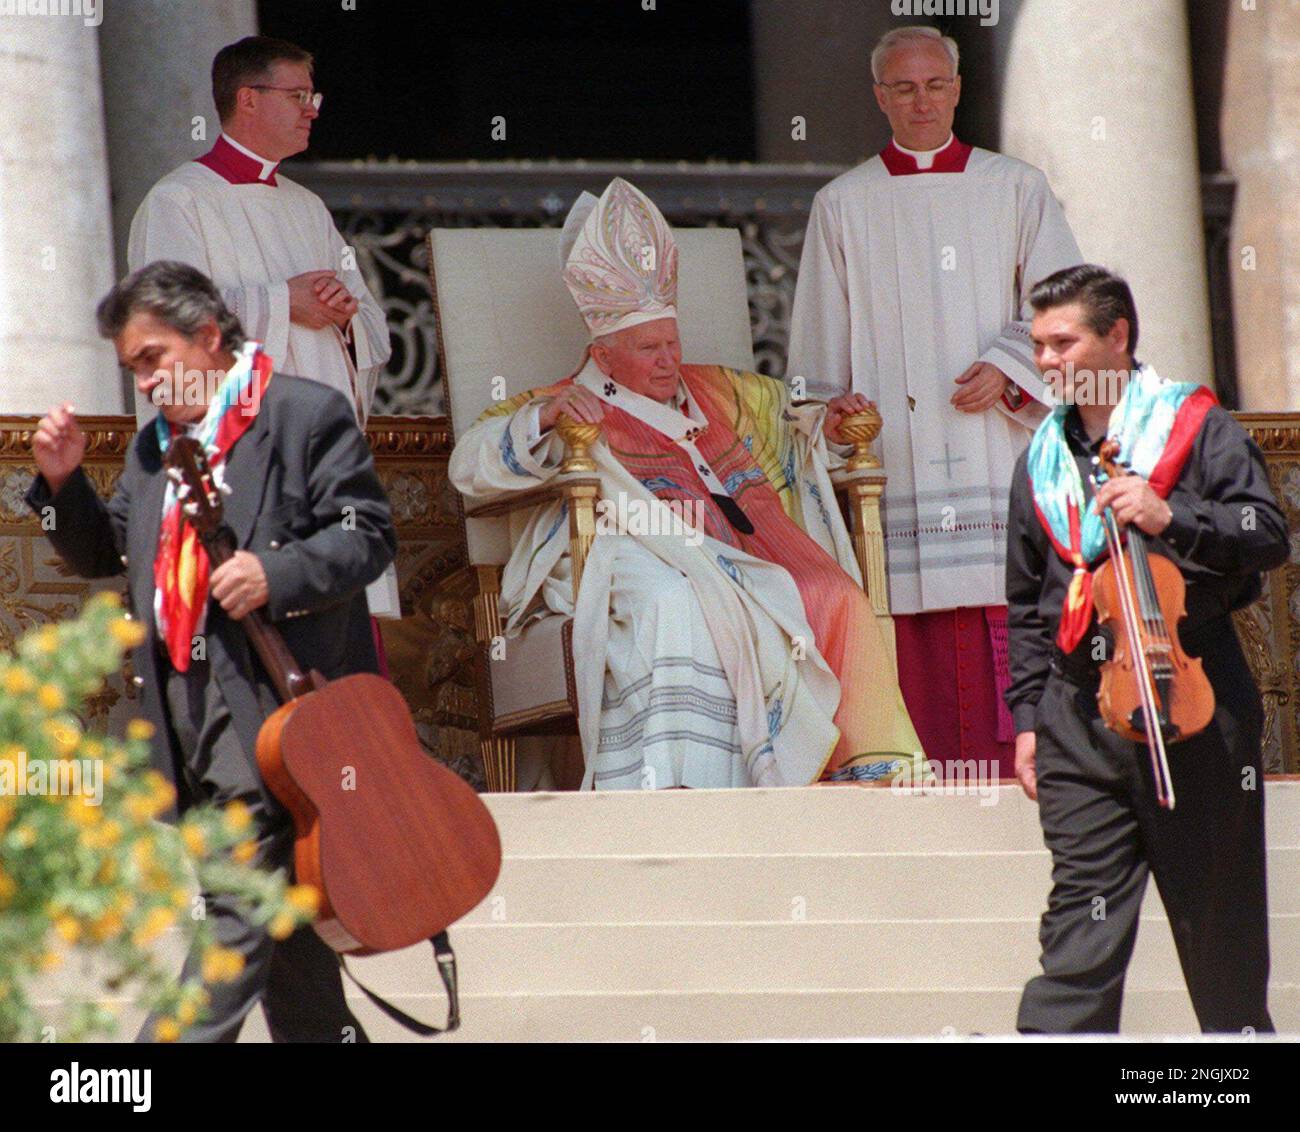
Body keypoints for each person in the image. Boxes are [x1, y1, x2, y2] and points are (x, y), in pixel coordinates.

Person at [450, 177, 924, 790]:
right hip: (647, 553)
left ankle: (864, 769)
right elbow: (470, 466)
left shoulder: (721, 389)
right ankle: (696, 784)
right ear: (604, 352)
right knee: (694, 603)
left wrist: (831, 427)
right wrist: (544, 419)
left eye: (672, 342)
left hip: (754, 553)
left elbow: (799, 429)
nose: (669, 359)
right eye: (649, 347)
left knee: (833, 591)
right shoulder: (562, 402)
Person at [28, 261, 397, 1042]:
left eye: (154, 359)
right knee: (282, 928)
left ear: (207, 336)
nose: (148, 383)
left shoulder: (302, 414)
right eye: (134, 370)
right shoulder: (152, 450)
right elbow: (106, 554)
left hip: (273, 709)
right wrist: (63, 487)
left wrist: (277, 573)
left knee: (236, 906)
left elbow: (368, 535)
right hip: (187, 709)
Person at [788, 25, 1082, 777]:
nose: (922, 101)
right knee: (903, 613)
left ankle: (1017, 769)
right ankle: (914, 772)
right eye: (904, 87)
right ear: (880, 97)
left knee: (1001, 605)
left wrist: (1012, 368)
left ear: (957, 89)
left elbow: (1069, 309)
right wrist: (829, 409)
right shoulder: (843, 203)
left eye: (936, 85)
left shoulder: (1016, 187)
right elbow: (817, 351)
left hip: (995, 446)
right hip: (892, 457)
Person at [1006, 264, 1288, 1033]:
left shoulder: (1198, 427)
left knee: (1217, 918)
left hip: (1190, 697)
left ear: (1118, 338)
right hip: (1077, 708)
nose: (1046, 361)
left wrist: (1174, 516)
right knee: (1079, 922)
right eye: (1038, 345)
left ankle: (1227, 1068)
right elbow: (1030, 603)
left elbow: (1268, 536)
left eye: (1063, 342)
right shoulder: (1039, 462)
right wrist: (1030, 717)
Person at [127, 34, 398, 620]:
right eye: (298, 95)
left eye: (313, 96)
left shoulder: (307, 207)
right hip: (237, 461)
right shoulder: (179, 201)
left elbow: (372, 324)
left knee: (340, 648)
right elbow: (163, 330)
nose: (312, 110)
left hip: (320, 455)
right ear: (247, 99)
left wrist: (343, 313)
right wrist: (282, 302)